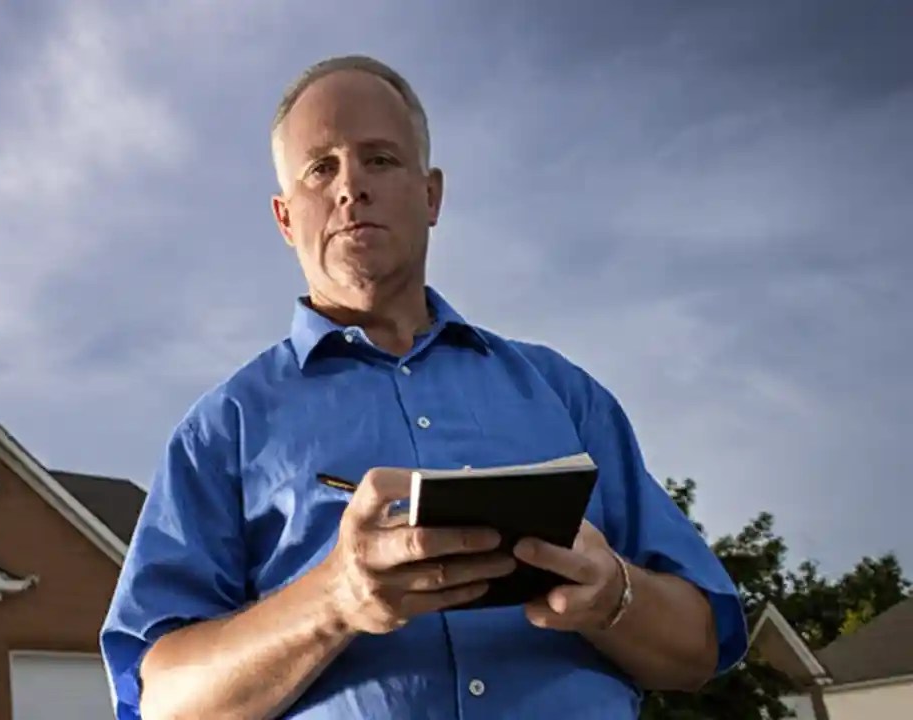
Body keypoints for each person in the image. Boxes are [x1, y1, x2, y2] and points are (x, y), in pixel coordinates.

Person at [99, 54, 748, 719]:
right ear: (285, 218)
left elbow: (698, 651)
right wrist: (334, 600)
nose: (351, 186)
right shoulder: (221, 431)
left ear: (431, 194)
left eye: (379, 159)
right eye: (321, 168)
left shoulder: (565, 395)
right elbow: (162, 701)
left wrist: (614, 596)